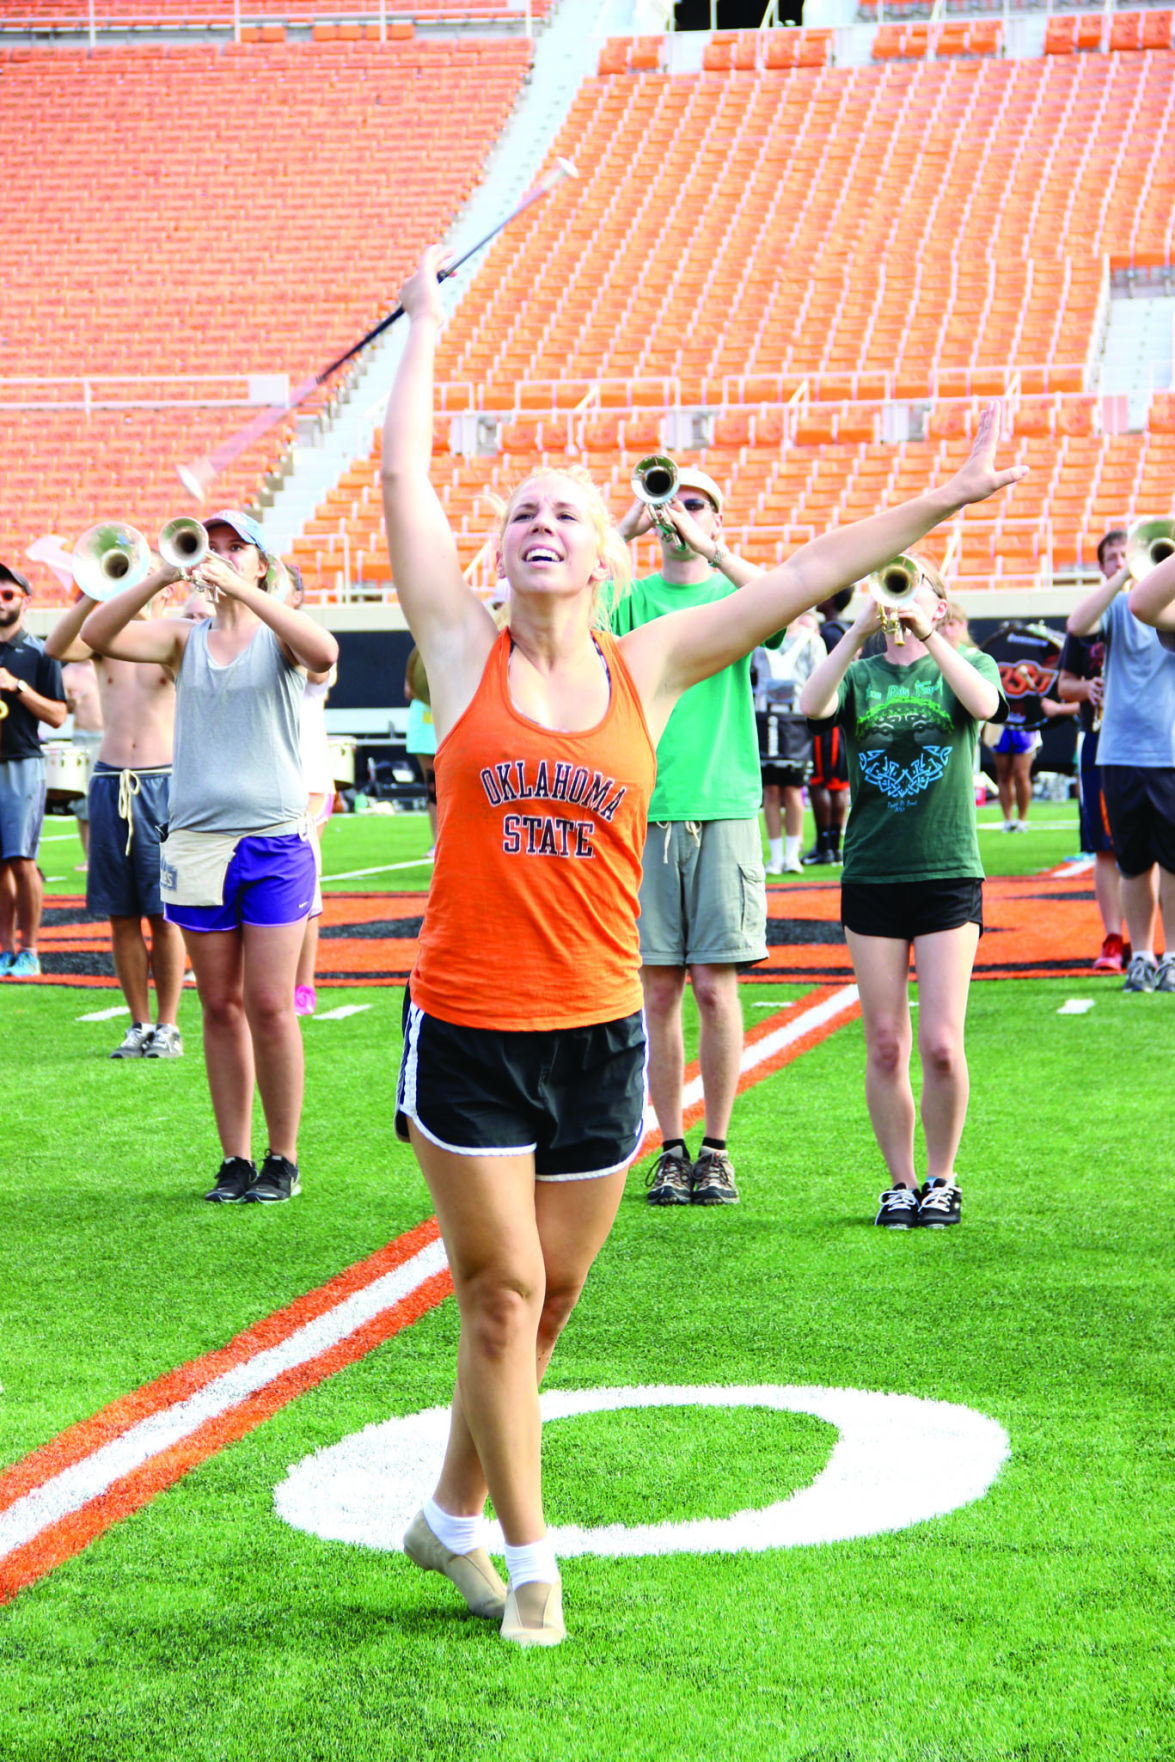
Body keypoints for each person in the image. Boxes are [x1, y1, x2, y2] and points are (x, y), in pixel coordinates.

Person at [382, 245, 1023, 1647]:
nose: (540, 522)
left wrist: (948, 494)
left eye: (566, 511)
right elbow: (402, 485)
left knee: (542, 1309)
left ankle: (439, 1513)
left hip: (603, 1033)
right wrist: (422, 333)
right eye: (521, 512)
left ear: (610, 560)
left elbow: (801, 570)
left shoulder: (648, 663)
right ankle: (529, 1561)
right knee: (494, 1296)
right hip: (473, 1027)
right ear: (495, 554)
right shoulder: (454, 642)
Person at [81, 511, 338, 1198]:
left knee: (269, 1003)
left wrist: (252, 594)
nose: (217, 556)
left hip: (275, 839)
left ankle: (283, 1156)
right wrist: (163, 571)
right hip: (196, 842)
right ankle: (235, 1157)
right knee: (218, 1005)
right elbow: (94, 634)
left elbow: (323, 653)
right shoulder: (181, 639)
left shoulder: (275, 634)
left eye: (235, 547)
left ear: (261, 563)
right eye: (210, 545)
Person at [799, 569, 1007, 1230]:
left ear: (937, 602)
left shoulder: (966, 661)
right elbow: (810, 705)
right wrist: (858, 629)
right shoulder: (859, 676)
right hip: (872, 874)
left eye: (912, 585)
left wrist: (932, 634)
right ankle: (899, 1182)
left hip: (946, 870)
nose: (898, 596)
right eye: (892, 585)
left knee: (942, 1044)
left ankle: (943, 1177)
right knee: (885, 1044)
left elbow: (984, 707)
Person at [613, 466, 774, 1207]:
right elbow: (574, 601)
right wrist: (624, 530)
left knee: (714, 987)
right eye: (669, 500)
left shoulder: (728, 593)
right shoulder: (632, 597)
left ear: (718, 518)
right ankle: (669, 1147)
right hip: (644, 810)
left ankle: (715, 1149)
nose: (679, 512)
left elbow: (781, 603)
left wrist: (710, 550)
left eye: (696, 503)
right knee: (656, 991)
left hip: (724, 807)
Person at [46, 582, 187, 1059]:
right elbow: (56, 646)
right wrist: (91, 593)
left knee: (164, 913)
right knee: (121, 915)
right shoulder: (105, 642)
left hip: (164, 781)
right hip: (110, 780)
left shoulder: (174, 639)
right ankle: (138, 1022)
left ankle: (168, 1025)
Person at [1067, 534, 1175, 993]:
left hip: (1169, 751)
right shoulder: (1114, 607)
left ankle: (1171, 956)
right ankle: (1142, 956)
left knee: (1173, 863)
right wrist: (1118, 579)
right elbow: (1077, 623)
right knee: (1132, 863)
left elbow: (1153, 613)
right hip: (1119, 750)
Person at [1056, 530, 1137, 974]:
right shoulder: (1091, 619)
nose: (1121, 562)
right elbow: (1063, 683)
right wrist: (1088, 687)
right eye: (1112, 557)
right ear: (1102, 566)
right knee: (1105, 847)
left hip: (1154, 740)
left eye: (1128, 554)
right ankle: (1113, 937)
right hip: (1102, 740)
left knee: (1158, 843)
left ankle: (1153, 944)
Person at [0, 561, 67, 977]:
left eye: (8, 594)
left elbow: (59, 715)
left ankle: (31, 950)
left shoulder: (42, 652)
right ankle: (5, 948)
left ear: (26, 600)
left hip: (22, 763)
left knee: (22, 861)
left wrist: (18, 687)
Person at [754, 612, 825, 875]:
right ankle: (775, 856)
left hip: (796, 718)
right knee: (771, 790)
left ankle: (792, 854)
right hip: (765, 716)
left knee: (794, 789)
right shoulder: (760, 637)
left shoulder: (811, 641)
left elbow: (820, 676)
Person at [804, 588, 853, 865]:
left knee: (823, 783)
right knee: (832, 784)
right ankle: (831, 845)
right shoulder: (841, 630)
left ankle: (827, 845)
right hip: (837, 717)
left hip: (828, 717)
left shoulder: (831, 633)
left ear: (832, 600)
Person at [61, 653, 103, 871]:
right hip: (84, 740)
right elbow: (59, 709)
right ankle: (89, 858)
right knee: (83, 802)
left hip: (113, 737)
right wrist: (70, 703)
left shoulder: (111, 662)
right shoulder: (67, 672)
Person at [404, 645, 438, 861]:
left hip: (440, 722)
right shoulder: (418, 654)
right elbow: (409, 690)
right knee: (435, 787)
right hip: (426, 724)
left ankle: (442, 842)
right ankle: (439, 842)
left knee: (438, 788)